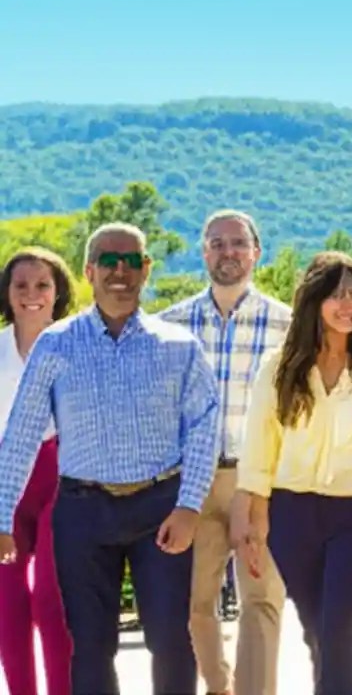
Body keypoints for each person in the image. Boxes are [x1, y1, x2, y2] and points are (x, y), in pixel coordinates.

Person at [0, 223, 220, 695]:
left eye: (131, 261)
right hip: (82, 511)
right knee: (90, 645)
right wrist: (2, 516)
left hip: (160, 508)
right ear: (88, 269)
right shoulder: (56, 345)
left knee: (169, 638)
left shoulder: (179, 347)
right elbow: (20, 434)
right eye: (107, 260)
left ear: (147, 269)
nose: (119, 271)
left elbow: (205, 426)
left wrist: (189, 506)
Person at [235, 252, 352, 694]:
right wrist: (254, 518)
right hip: (292, 515)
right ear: (312, 301)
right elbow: (260, 446)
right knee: (317, 630)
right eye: (335, 294)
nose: (347, 305)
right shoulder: (278, 367)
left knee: (340, 626)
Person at [159, 209, 291, 695]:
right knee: (196, 602)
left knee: (262, 598)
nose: (227, 252)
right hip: (191, 481)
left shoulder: (288, 325)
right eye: (216, 243)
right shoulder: (168, 326)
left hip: (260, 480)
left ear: (256, 253)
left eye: (237, 243)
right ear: (203, 252)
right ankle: (220, 688)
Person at [0, 247, 75, 695]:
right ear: (7, 293)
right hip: (5, 485)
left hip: (60, 479)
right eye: (21, 285)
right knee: (8, 601)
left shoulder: (75, 346)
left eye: (42, 284)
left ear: (58, 290)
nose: (32, 294)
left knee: (51, 599)